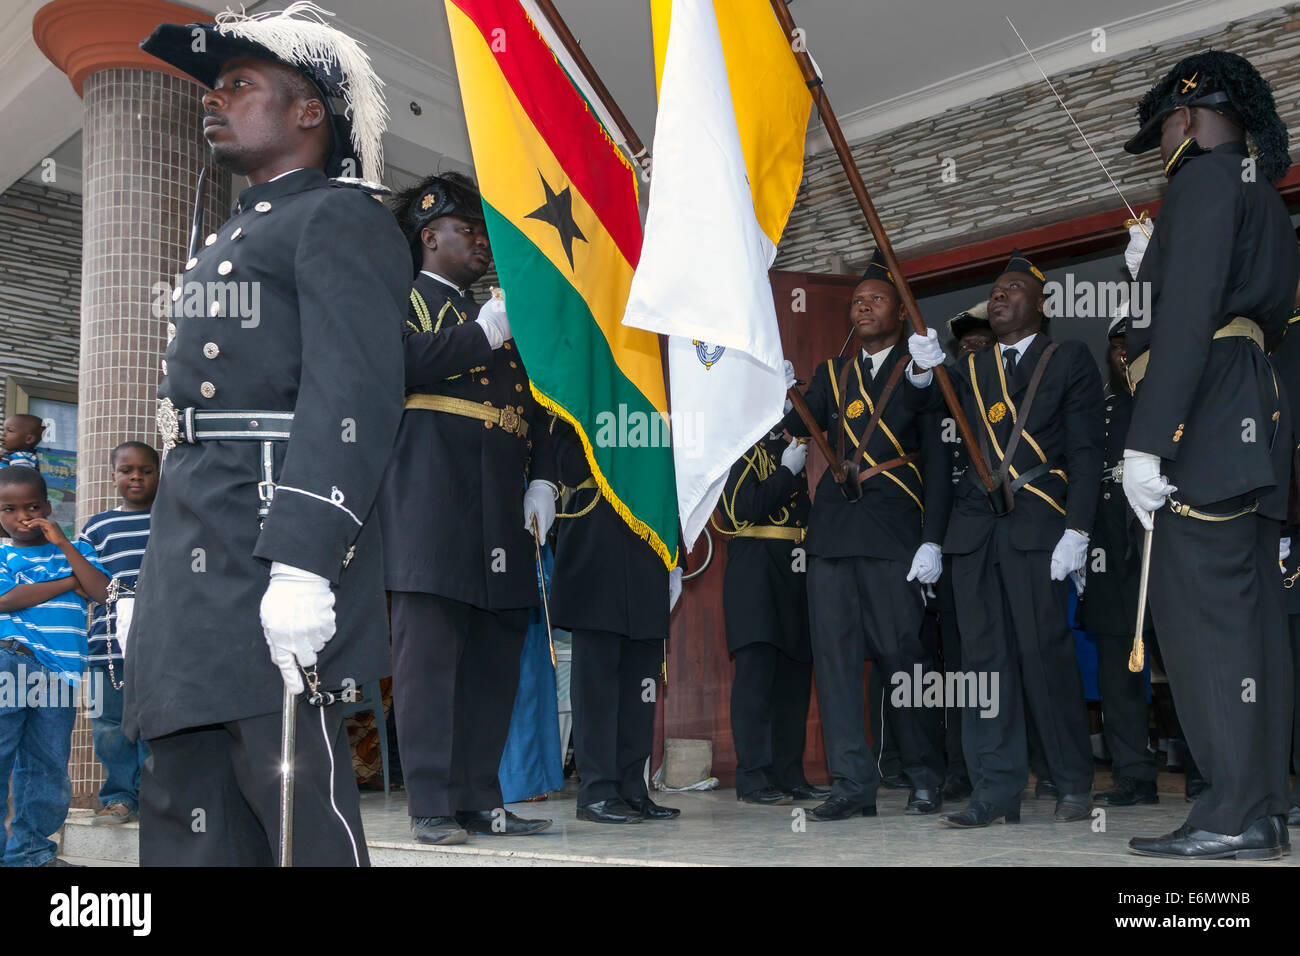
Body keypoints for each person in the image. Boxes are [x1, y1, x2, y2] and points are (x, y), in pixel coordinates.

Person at [130, 6, 409, 866]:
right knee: (184, 799)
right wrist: (159, 567)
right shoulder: (237, 231)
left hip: (265, 542)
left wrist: (305, 558)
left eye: (239, 84)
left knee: (292, 803)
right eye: (215, 87)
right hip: (197, 543)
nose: (215, 99)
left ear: (308, 112)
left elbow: (351, 393)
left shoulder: (338, 218)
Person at [1120, 50, 1298, 860]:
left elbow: (1191, 318)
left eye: (1161, 134)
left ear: (1187, 120)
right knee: (1254, 629)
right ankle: (1259, 807)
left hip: (1201, 426)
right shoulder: (1261, 197)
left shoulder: (1199, 182)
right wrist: (1151, 268)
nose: (1161, 149)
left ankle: (1227, 810)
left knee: (1202, 626)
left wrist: (1147, 444)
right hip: (1249, 428)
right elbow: (1251, 324)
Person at [378, 171, 556, 845]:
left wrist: (547, 480)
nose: (483, 244)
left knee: (494, 659)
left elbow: (545, 412)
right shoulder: (403, 300)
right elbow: (395, 363)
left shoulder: (503, 317)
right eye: (469, 231)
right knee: (428, 661)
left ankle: (482, 799)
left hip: (503, 511)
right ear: (430, 237)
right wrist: (483, 334)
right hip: (430, 505)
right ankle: (430, 803)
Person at [908, 249, 1104, 829]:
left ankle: (1071, 782)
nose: (999, 296)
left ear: (1041, 305)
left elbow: (1088, 452)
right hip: (975, 531)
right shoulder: (969, 368)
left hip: (1037, 523)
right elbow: (922, 411)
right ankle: (995, 790)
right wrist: (922, 371)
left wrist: (1078, 529)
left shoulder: (1068, 358)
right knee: (983, 665)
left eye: (1013, 288)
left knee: (1044, 656)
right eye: (995, 290)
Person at [780, 249, 950, 821]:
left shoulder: (919, 368)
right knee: (833, 660)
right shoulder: (833, 373)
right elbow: (796, 425)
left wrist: (933, 539)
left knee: (902, 657)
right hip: (832, 533)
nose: (863, 309)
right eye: (856, 302)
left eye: (875, 300)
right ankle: (852, 784)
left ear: (900, 313)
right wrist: (786, 394)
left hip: (891, 530)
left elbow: (936, 439)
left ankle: (924, 775)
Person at [546, 413, 682, 824]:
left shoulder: (651, 408)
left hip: (646, 544)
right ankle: (596, 791)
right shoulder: (575, 405)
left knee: (641, 678)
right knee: (597, 681)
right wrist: (611, 433)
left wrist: (675, 553)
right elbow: (568, 466)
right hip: (596, 540)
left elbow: (668, 479)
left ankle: (630, 787)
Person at [715, 378, 827, 805]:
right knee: (756, 682)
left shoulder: (790, 443)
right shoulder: (740, 447)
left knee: (795, 681)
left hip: (794, 570)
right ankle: (754, 777)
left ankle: (789, 772)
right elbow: (739, 510)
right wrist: (785, 472)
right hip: (756, 572)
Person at [0, 466, 109, 866]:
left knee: (47, 766)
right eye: (9, 509)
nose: (22, 517)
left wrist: (64, 545)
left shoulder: (76, 548)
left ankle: (29, 853)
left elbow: (100, 590)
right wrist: (68, 582)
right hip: (9, 661)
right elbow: (6, 600)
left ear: (49, 506)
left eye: (32, 506)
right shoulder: (0, 552)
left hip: (60, 674)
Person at [1078, 316, 1159, 806]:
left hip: (1162, 541)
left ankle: (1203, 770)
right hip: (1109, 545)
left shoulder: (1172, 401)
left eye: (1134, 345)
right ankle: (1134, 775)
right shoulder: (1100, 409)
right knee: (1117, 667)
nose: (1124, 355)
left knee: (1184, 658)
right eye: (1116, 347)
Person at [79, 441, 158, 826]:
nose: (136, 477)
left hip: (163, 642)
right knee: (108, 724)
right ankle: (120, 797)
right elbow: (81, 579)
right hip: (105, 645)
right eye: (126, 470)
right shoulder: (97, 526)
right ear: (113, 476)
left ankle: (156, 797)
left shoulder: (172, 518)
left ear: (160, 474)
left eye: (146, 469)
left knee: (157, 721)